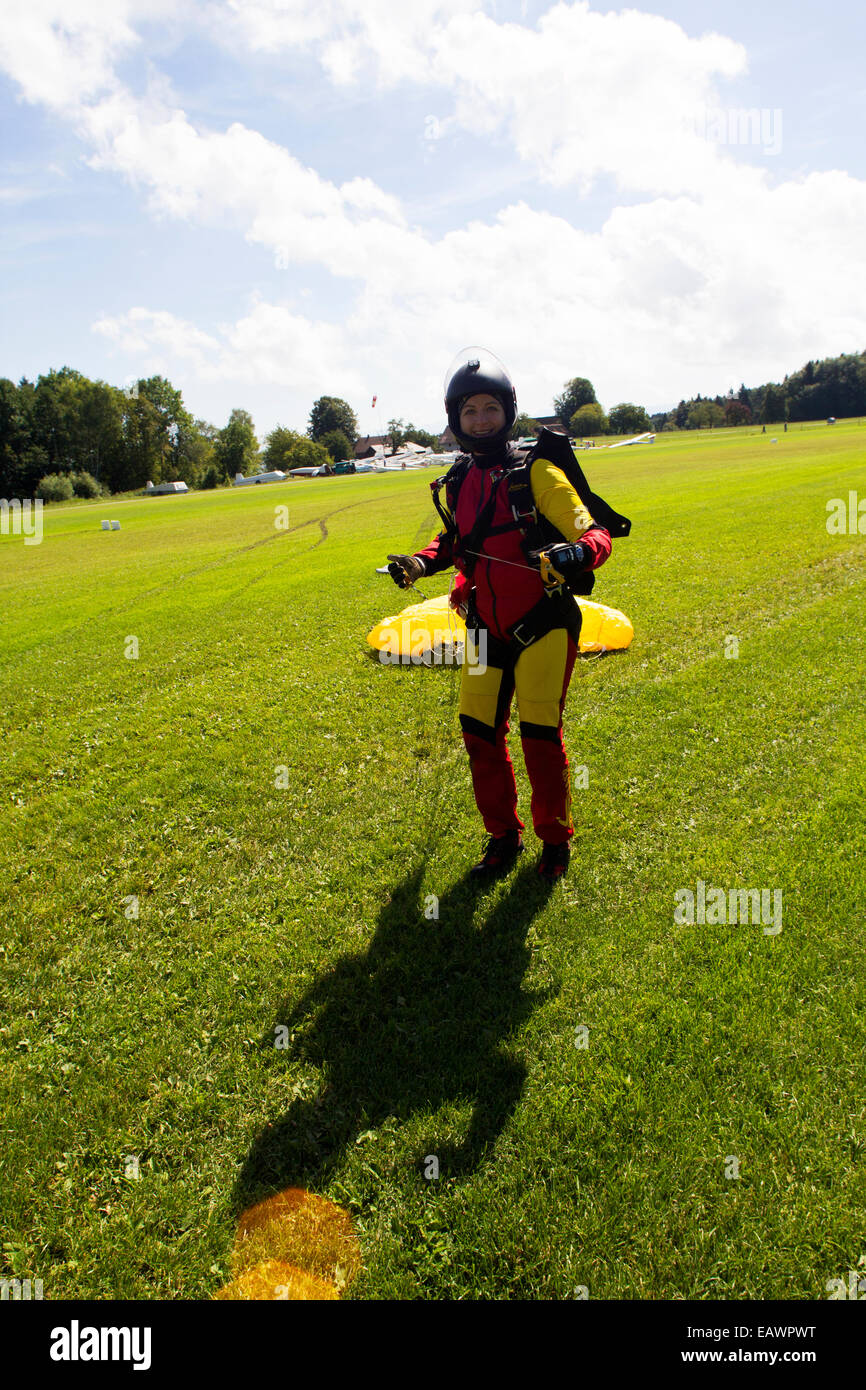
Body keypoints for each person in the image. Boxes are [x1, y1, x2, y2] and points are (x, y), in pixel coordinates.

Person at [387, 348, 616, 884]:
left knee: (539, 734)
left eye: (490, 408)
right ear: (455, 421)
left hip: (543, 623)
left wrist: (580, 553)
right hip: (485, 630)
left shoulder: (538, 471)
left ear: (508, 411)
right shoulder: (461, 477)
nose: (481, 420)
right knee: (479, 733)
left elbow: (593, 531)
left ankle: (554, 841)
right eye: (470, 412)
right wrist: (420, 562)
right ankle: (502, 835)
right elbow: (456, 540)